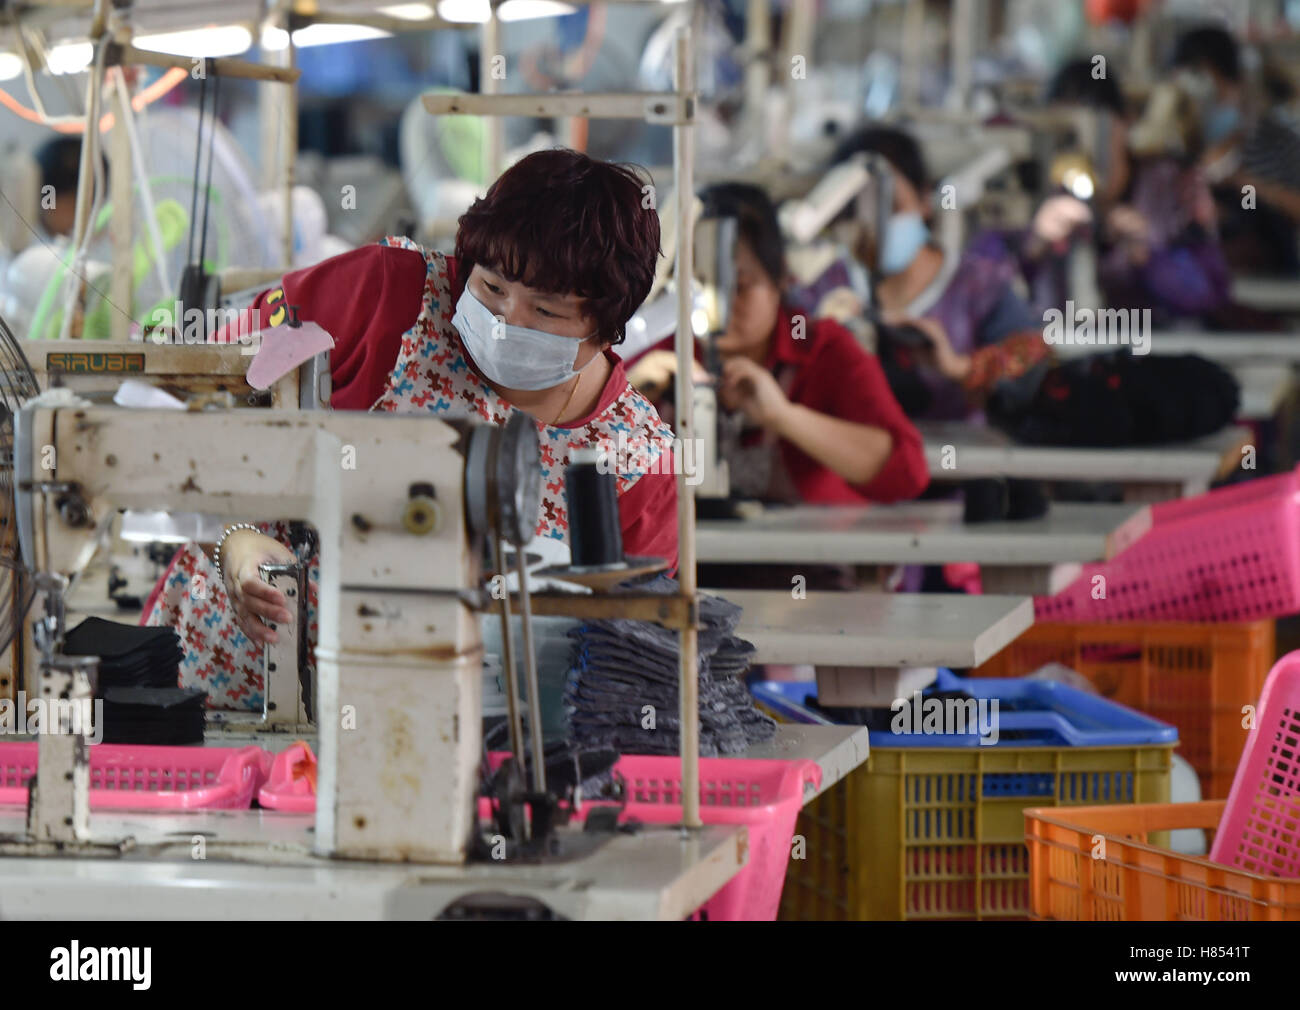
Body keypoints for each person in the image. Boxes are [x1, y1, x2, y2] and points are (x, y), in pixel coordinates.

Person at [141, 149, 679, 710]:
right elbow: (186, 397)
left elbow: (624, 671)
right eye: (492, 287)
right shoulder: (387, 294)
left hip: (436, 746)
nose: (504, 320)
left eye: (544, 311)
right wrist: (228, 536)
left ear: (609, 327)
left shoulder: (640, 462)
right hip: (211, 700)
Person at [628, 182, 928, 507]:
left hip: (807, 555)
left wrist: (783, 416)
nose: (713, 306)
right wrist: (629, 396)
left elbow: (907, 473)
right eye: (697, 288)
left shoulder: (823, 350)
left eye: (740, 287)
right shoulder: (662, 350)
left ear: (780, 281)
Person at [823, 126, 1051, 422]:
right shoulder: (826, 286)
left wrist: (960, 367)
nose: (874, 225)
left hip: (958, 463)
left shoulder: (978, 285)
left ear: (924, 199)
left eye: (891, 207)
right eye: (855, 211)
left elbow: (1032, 356)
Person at [1172, 23, 1300, 276]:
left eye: (1199, 75)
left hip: (1263, 261)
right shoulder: (1183, 138)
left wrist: (1243, 181)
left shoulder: (1271, 135)